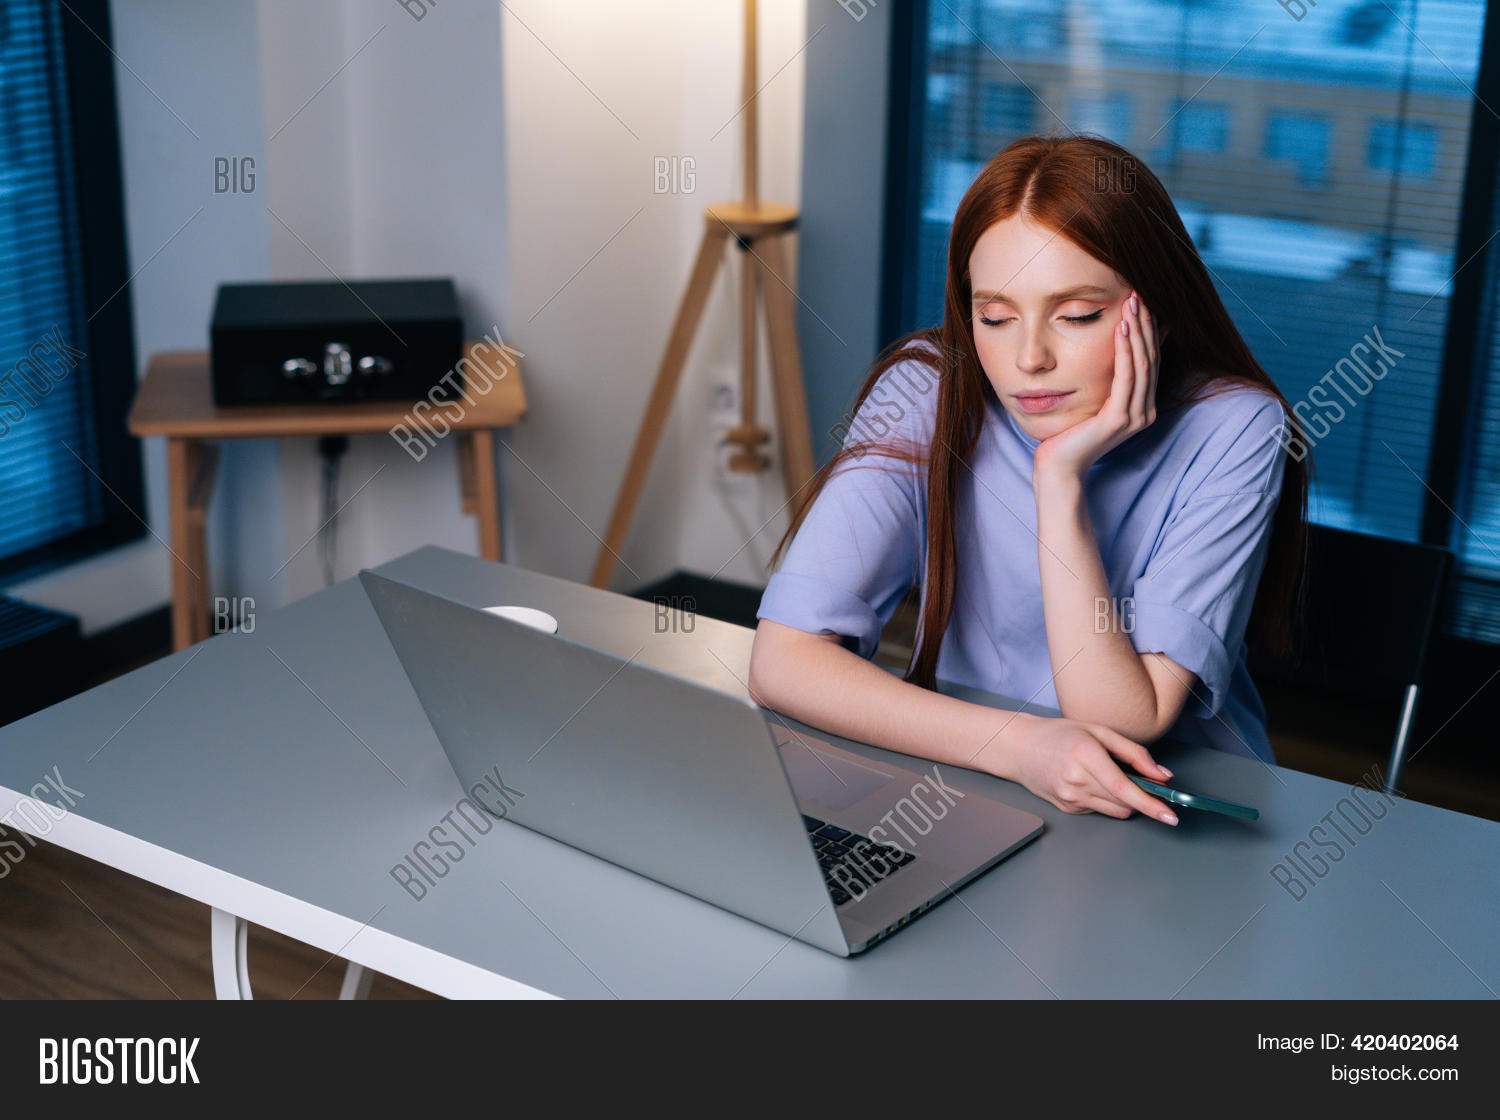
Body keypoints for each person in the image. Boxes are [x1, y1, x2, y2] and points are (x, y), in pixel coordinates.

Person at [749, 134, 1310, 827]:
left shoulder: (1236, 426)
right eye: (995, 317)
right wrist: (1016, 746)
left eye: (1078, 316)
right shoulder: (926, 392)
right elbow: (782, 663)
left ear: (1155, 312)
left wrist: (1059, 480)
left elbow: (1121, 718)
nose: (1029, 359)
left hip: (1170, 810)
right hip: (980, 783)